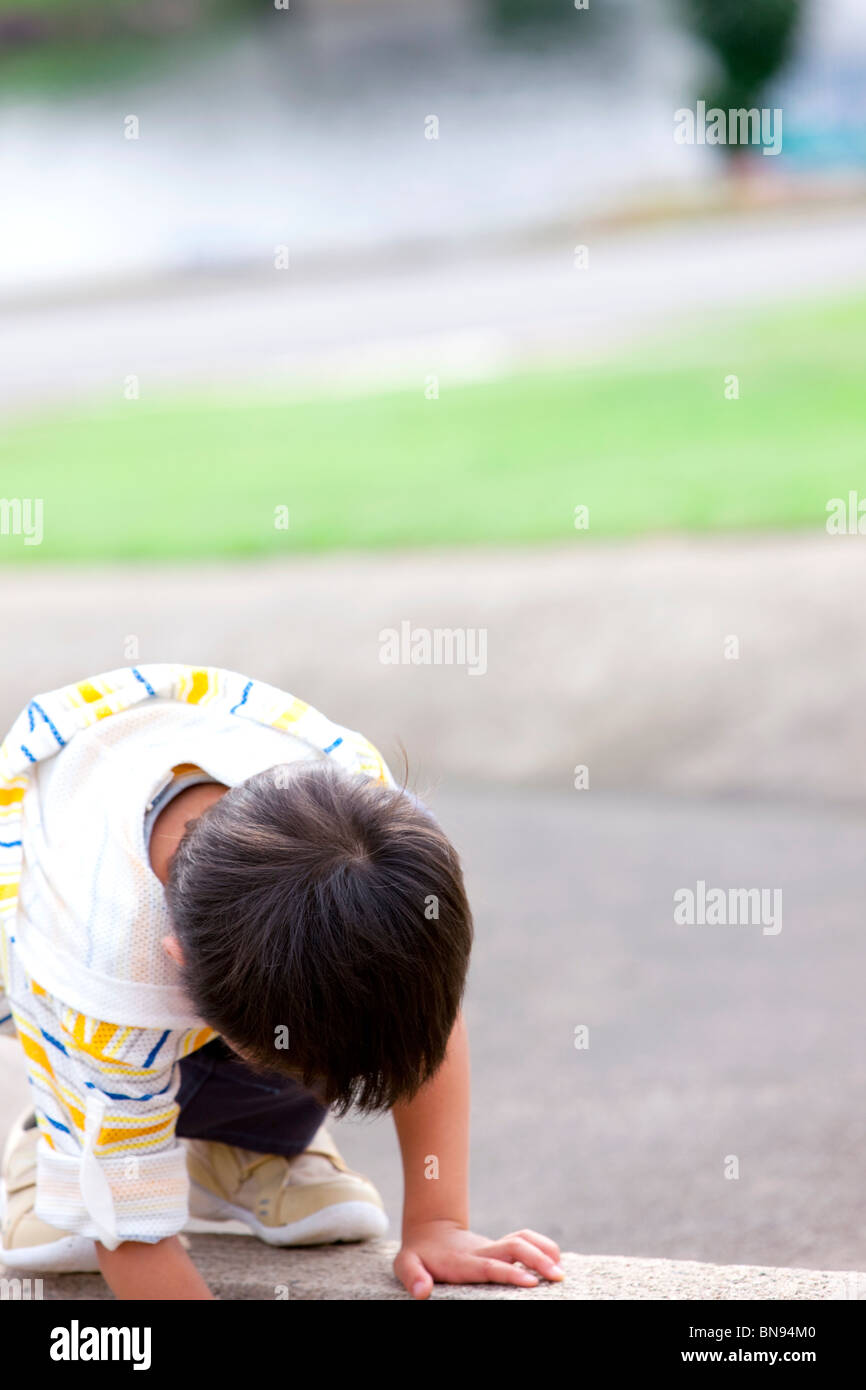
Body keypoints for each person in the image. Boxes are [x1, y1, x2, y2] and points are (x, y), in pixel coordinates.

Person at [0, 663, 562, 1299]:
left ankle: (236, 1147)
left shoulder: (375, 829)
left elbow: (420, 1015)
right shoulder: (102, 980)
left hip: (198, 829)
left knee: (323, 1021)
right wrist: (106, 1179)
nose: (313, 1092)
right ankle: (51, 1149)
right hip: (34, 936)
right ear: (179, 964)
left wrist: (438, 1224)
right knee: (88, 1204)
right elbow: (132, 1239)